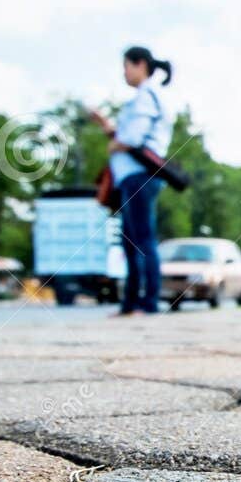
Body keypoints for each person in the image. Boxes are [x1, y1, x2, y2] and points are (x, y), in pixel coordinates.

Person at [91, 45, 173, 316]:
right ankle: (131, 303)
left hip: (140, 176)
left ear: (140, 65)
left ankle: (147, 303)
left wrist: (114, 145)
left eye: (126, 66)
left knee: (142, 238)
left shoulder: (146, 95)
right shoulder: (146, 96)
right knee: (130, 239)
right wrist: (107, 128)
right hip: (133, 176)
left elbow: (133, 138)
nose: (124, 73)